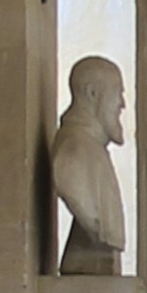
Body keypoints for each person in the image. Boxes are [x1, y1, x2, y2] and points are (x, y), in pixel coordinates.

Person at [52, 57, 129, 269]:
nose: (122, 104)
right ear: (93, 93)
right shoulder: (74, 151)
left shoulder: (92, 151)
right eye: (118, 93)